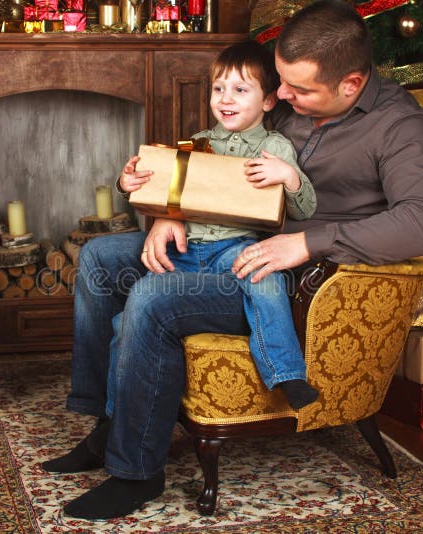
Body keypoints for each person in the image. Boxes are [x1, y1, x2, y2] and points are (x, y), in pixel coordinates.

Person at [42, 0, 423, 521]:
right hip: (224, 238)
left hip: (290, 280)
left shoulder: (401, 130)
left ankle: (136, 471)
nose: (280, 96)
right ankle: (107, 425)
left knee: (155, 297)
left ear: (350, 84)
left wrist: (306, 244)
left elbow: (421, 226)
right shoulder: (289, 102)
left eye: (296, 90)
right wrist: (171, 210)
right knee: (100, 259)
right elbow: (218, 148)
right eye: (277, 82)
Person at [115, 40, 318, 412]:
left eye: (241, 90)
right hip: (187, 251)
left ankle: (287, 373)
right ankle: (118, 417)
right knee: (132, 308)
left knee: (264, 277)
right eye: (219, 88)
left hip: (235, 248)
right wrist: (128, 183)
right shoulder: (197, 144)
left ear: (268, 101)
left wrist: (289, 177)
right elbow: (165, 192)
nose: (226, 98)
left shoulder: (276, 148)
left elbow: (304, 210)